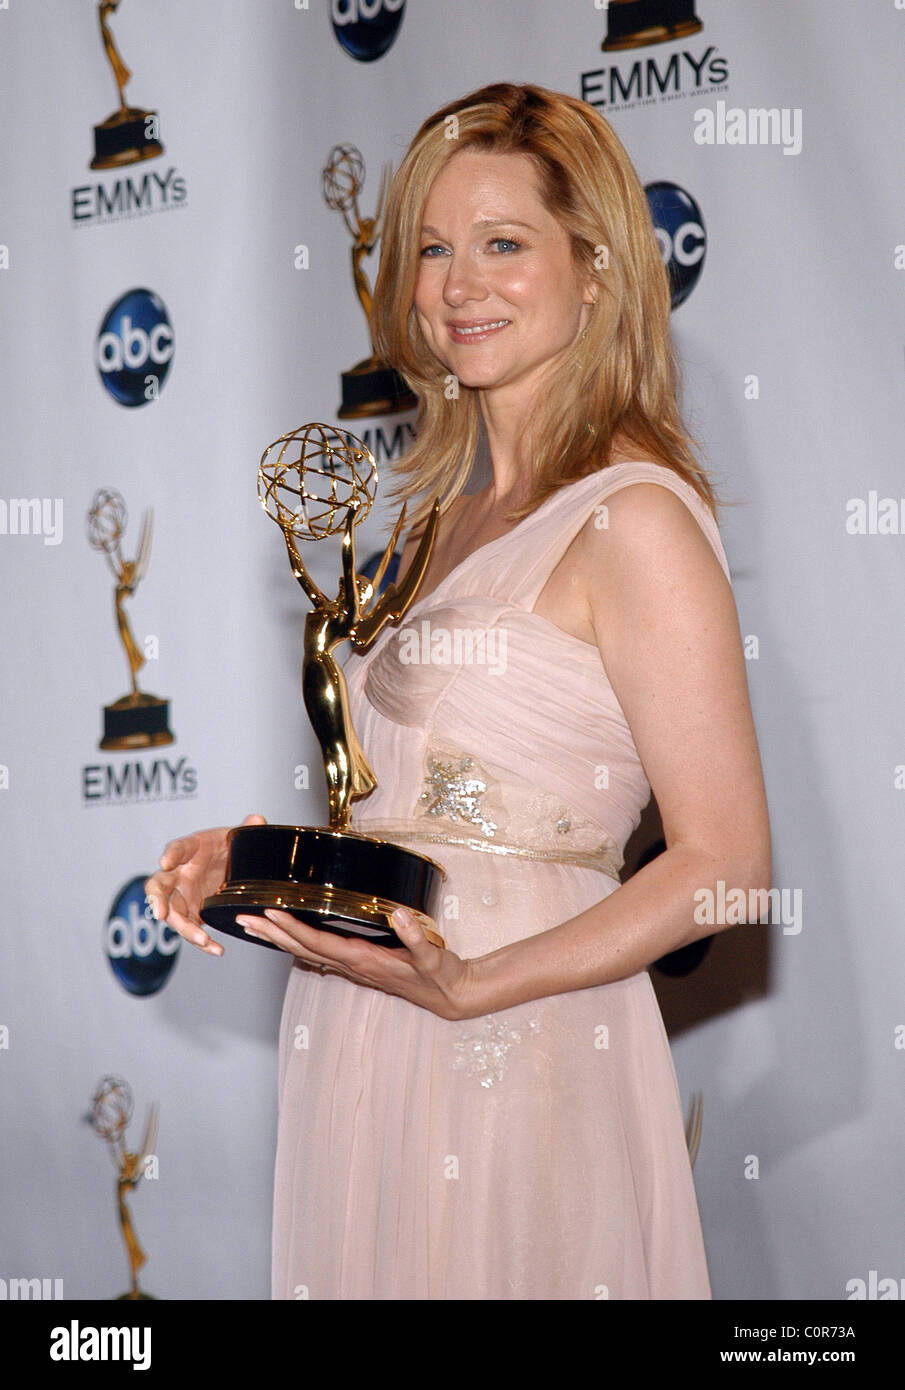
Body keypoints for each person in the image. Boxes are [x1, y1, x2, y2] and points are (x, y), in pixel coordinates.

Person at [145, 82, 771, 1300]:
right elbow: (420, 812)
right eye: (432, 248)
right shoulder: (430, 523)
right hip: (368, 1028)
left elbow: (725, 861)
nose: (456, 282)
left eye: (502, 243)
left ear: (593, 268)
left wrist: (474, 984)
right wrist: (258, 854)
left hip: (520, 1036)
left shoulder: (632, 517)